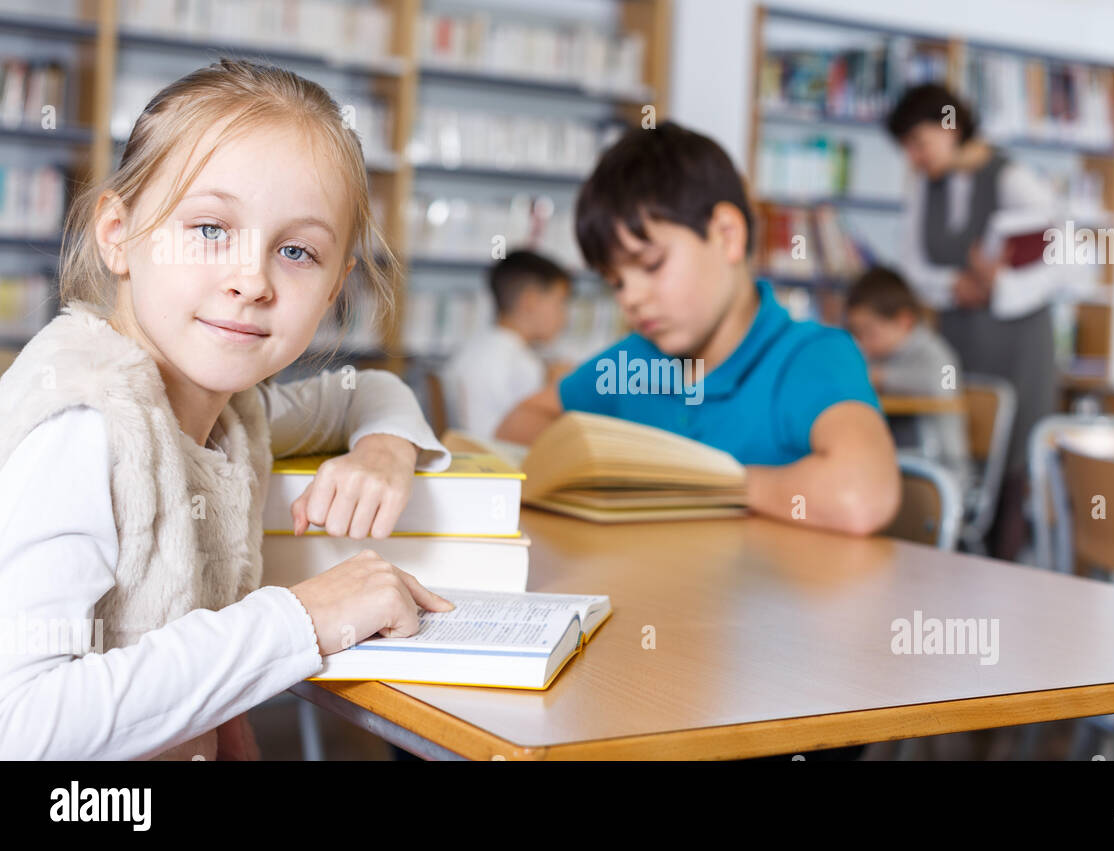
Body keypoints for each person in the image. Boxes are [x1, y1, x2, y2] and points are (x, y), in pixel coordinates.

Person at [0, 59, 455, 760]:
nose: (251, 280)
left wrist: (382, 451)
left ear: (335, 289)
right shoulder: (84, 424)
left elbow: (369, 391)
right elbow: (23, 728)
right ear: (119, 234)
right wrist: (301, 618)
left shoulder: (234, 409)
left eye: (298, 251)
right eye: (211, 228)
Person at [496, 122, 900, 537]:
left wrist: (694, 482)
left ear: (727, 235)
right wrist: (595, 462)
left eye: (651, 265)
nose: (629, 298)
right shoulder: (637, 361)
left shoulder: (810, 357)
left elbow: (860, 497)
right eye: (615, 282)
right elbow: (519, 423)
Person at [887, 83, 1062, 559]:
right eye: (907, 148)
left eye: (919, 143)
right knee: (964, 445)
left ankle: (1002, 573)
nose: (914, 157)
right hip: (959, 335)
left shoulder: (1012, 177)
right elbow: (913, 264)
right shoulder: (925, 186)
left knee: (1012, 458)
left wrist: (997, 287)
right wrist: (953, 287)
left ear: (951, 128)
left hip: (1018, 339)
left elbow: (1061, 256)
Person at [845, 266, 971, 490]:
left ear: (904, 321)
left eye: (870, 332)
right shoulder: (883, 356)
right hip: (902, 467)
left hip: (941, 475)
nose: (863, 343)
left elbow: (939, 382)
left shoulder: (933, 352)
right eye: (857, 333)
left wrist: (879, 377)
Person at [444, 250, 572, 437]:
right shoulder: (521, 363)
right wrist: (560, 388)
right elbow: (541, 435)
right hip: (504, 458)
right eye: (560, 303)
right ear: (530, 301)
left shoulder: (475, 348)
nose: (564, 316)